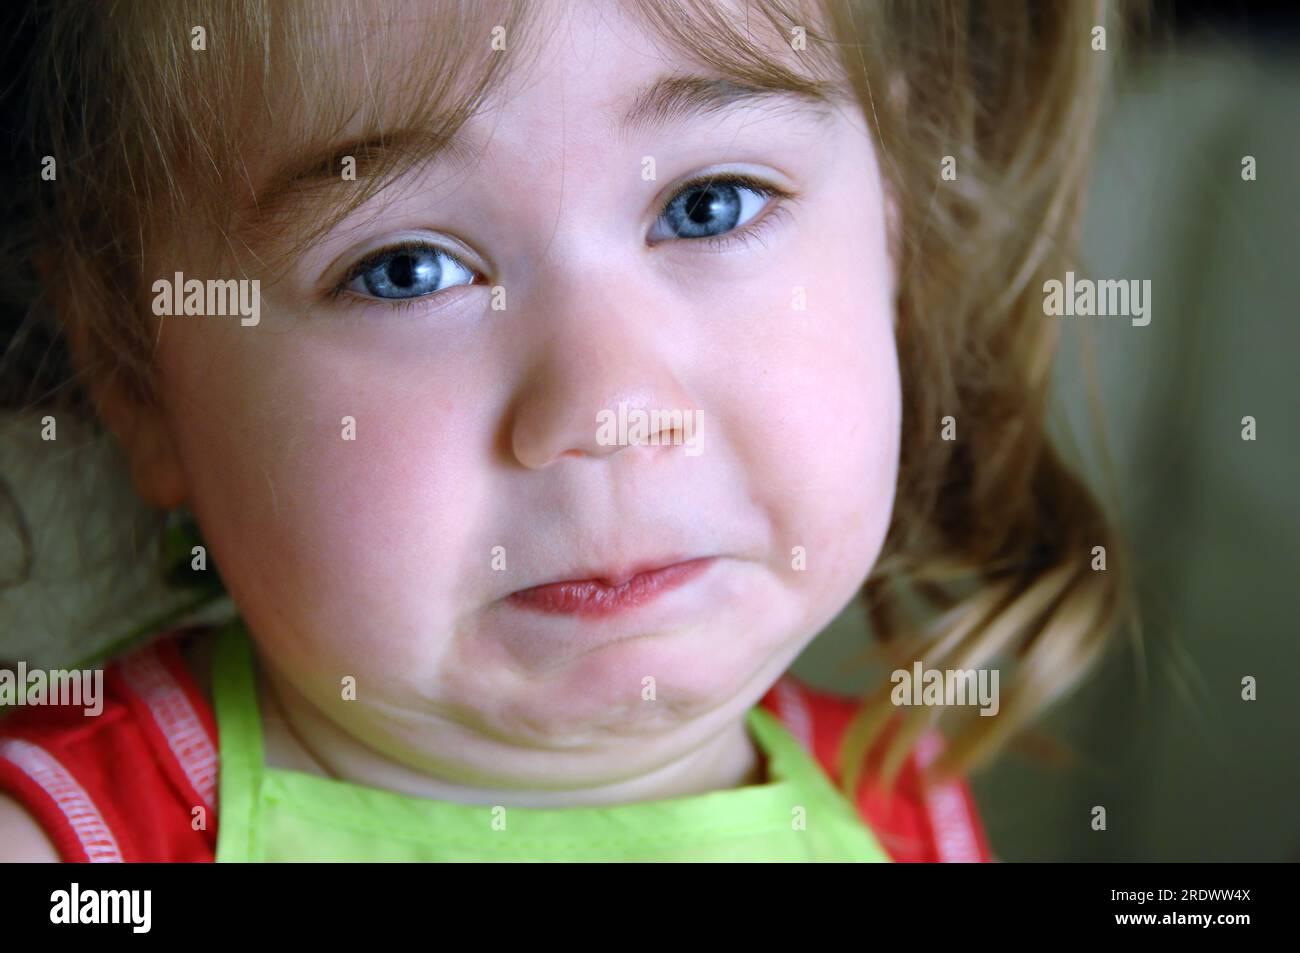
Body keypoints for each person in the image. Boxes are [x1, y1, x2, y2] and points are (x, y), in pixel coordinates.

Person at [0, 0, 1128, 862]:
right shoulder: (68, 844)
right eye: (406, 271)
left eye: (710, 203)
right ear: (134, 373)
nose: (609, 407)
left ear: (893, 230)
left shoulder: (910, 814)